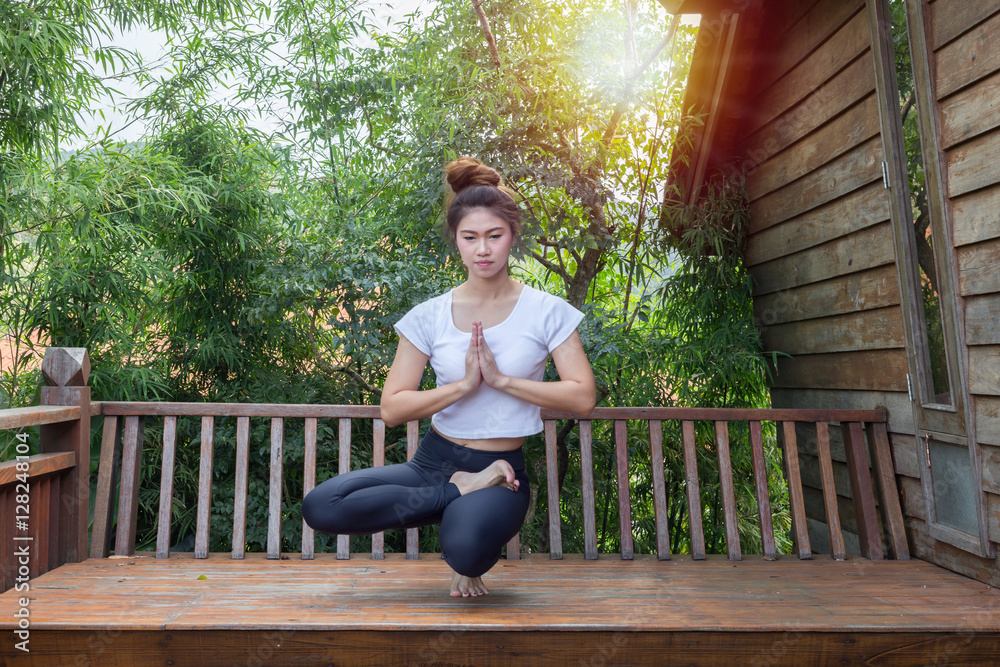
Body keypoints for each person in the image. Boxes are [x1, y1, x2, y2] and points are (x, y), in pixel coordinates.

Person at [302, 157, 596, 597]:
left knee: (464, 549)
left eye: (494, 236)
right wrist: (461, 387)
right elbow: (393, 408)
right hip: (433, 464)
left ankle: (474, 494)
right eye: (470, 237)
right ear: (456, 242)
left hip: (503, 469)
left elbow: (583, 396)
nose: (483, 249)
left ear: (512, 236)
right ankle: (464, 488)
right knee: (322, 505)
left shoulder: (547, 311)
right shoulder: (429, 317)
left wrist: (501, 381)